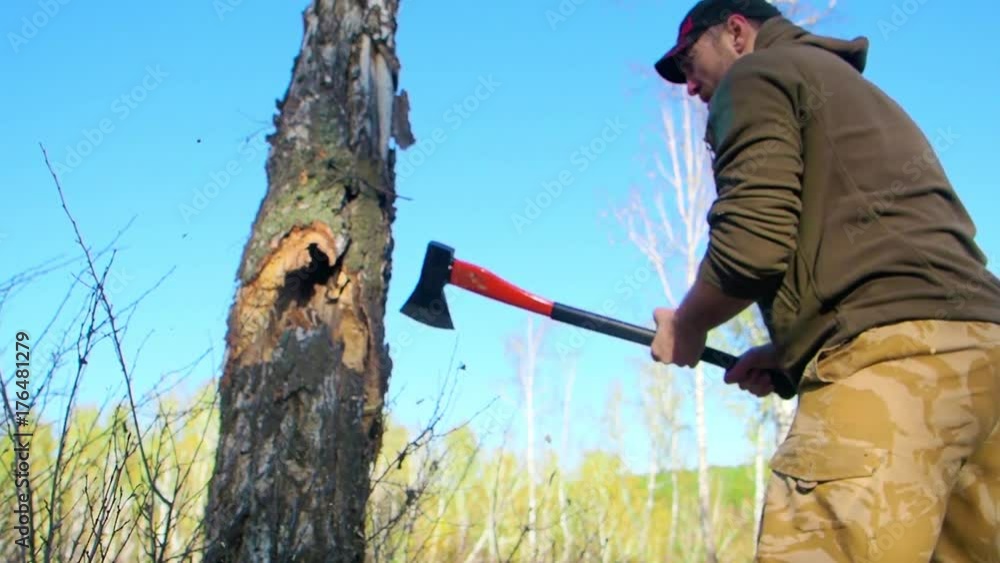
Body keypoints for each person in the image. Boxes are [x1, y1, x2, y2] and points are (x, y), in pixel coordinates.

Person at [646, 0, 1000, 560]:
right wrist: (791, 350)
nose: (690, 87)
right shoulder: (850, 90)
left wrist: (687, 324)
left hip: (892, 375)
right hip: (983, 369)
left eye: (690, 63)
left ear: (736, 33)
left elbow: (752, 244)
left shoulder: (756, 76)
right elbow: (887, 253)